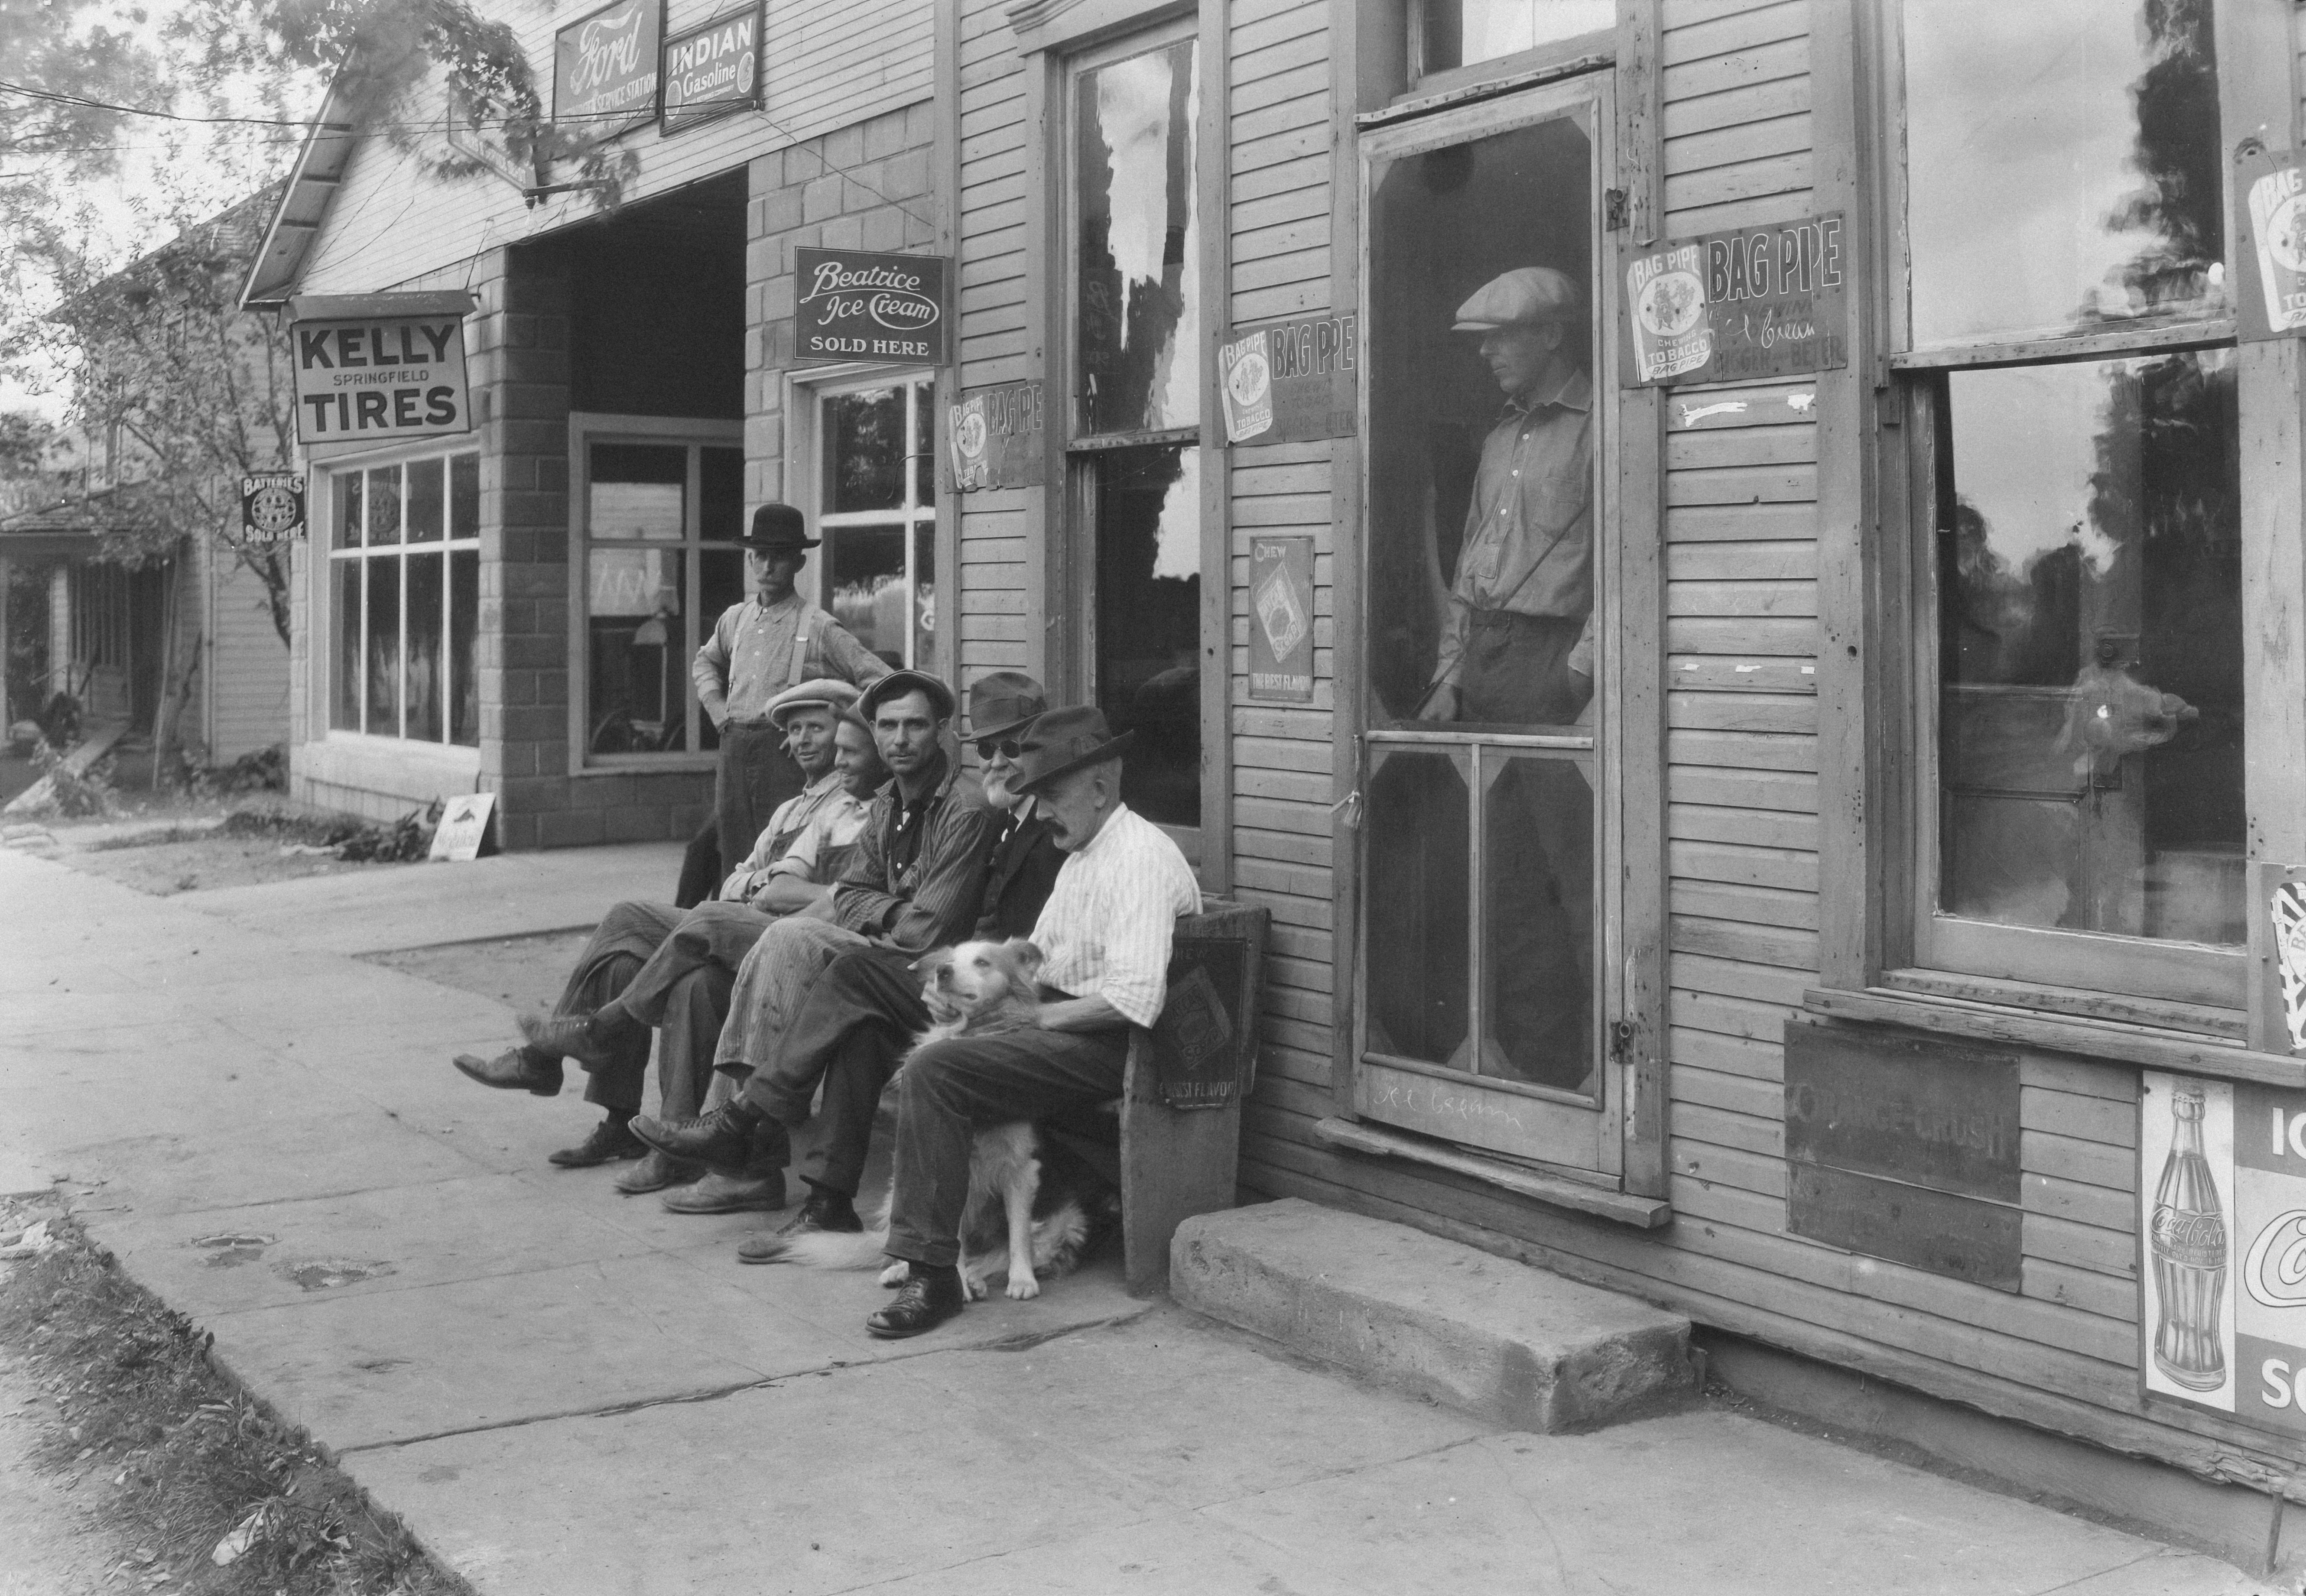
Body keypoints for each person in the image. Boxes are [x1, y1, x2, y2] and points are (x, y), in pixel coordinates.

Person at [626, 672, 1065, 1251]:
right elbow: (849, 894)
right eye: (990, 748)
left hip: (968, 989)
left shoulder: (997, 813)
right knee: (743, 987)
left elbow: (930, 928)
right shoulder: (917, 806)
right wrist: (884, 909)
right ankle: (825, 1202)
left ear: (939, 734)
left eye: (1016, 747)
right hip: (943, 980)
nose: (1000, 761)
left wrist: (876, 912)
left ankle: (738, 1121)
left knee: (816, 956)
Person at [448, 680, 877, 1178]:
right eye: (796, 730)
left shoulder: (854, 804)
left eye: (819, 731)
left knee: (637, 916)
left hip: (789, 942)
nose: (805, 741)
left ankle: (569, 1045)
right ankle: (623, 1121)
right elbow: (742, 878)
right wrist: (762, 883)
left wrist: (763, 886)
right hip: (750, 927)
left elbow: (805, 897)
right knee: (636, 960)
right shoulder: (793, 808)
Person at [869, 706, 1199, 1339]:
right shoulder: (1083, 856)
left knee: (937, 1069)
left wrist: (1030, 1020)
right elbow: (1028, 959)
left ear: (1100, 788)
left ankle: (932, 1273)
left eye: (1049, 794)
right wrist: (967, 1001)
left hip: (1113, 1045)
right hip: (1062, 1024)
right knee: (924, 1039)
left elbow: (1133, 1002)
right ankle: (923, 1249)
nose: (1039, 811)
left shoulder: (1137, 860)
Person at [1416, 265, 1596, 1090]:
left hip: (1549, 667)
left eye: (1504, 335)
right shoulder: (1497, 441)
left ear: (1553, 334)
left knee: (1576, 878)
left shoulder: (1601, 431)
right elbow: (1466, 568)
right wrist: (1451, 671)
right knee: (1506, 886)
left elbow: (1627, 567)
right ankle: (1531, 1068)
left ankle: (1591, 1076)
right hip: (1484, 666)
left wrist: (1576, 673)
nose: (1488, 353)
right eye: (1481, 340)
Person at [683, 502, 889, 907]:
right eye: (759, 556)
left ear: (798, 562)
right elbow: (705, 661)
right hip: (734, 749)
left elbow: (878, 679)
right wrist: (716, 708)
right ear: (749, 560)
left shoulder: (817, 625)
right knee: (733, 852)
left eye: (778, 556)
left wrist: (839, 724)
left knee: (784, 852)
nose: (767, 566)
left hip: (785, 757)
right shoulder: (735, 620)